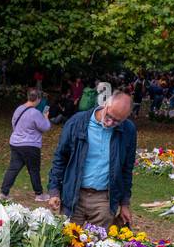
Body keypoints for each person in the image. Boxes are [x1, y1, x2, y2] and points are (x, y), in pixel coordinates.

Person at [46, 92, 137, 227]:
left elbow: (126, 170)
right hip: (74, 195)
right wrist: (54, 191)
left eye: (117, 121)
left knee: (99, 245)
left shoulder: (128, 130)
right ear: (105, 104)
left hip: (104, 200)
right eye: (109, 116)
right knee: (67, 242)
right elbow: (60, 158)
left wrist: (124, 204)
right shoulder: (77, 122)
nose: (110, 122)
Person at [0, 87, 52, 201]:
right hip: (30, 145)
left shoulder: (19, 109)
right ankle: (39, 194)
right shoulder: (36, 113)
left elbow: (14, 124)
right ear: (37, 99)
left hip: (16, 143)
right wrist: (46, 118)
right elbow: (45, 127)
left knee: (13, 168)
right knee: (34, 170)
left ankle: (3, 193)